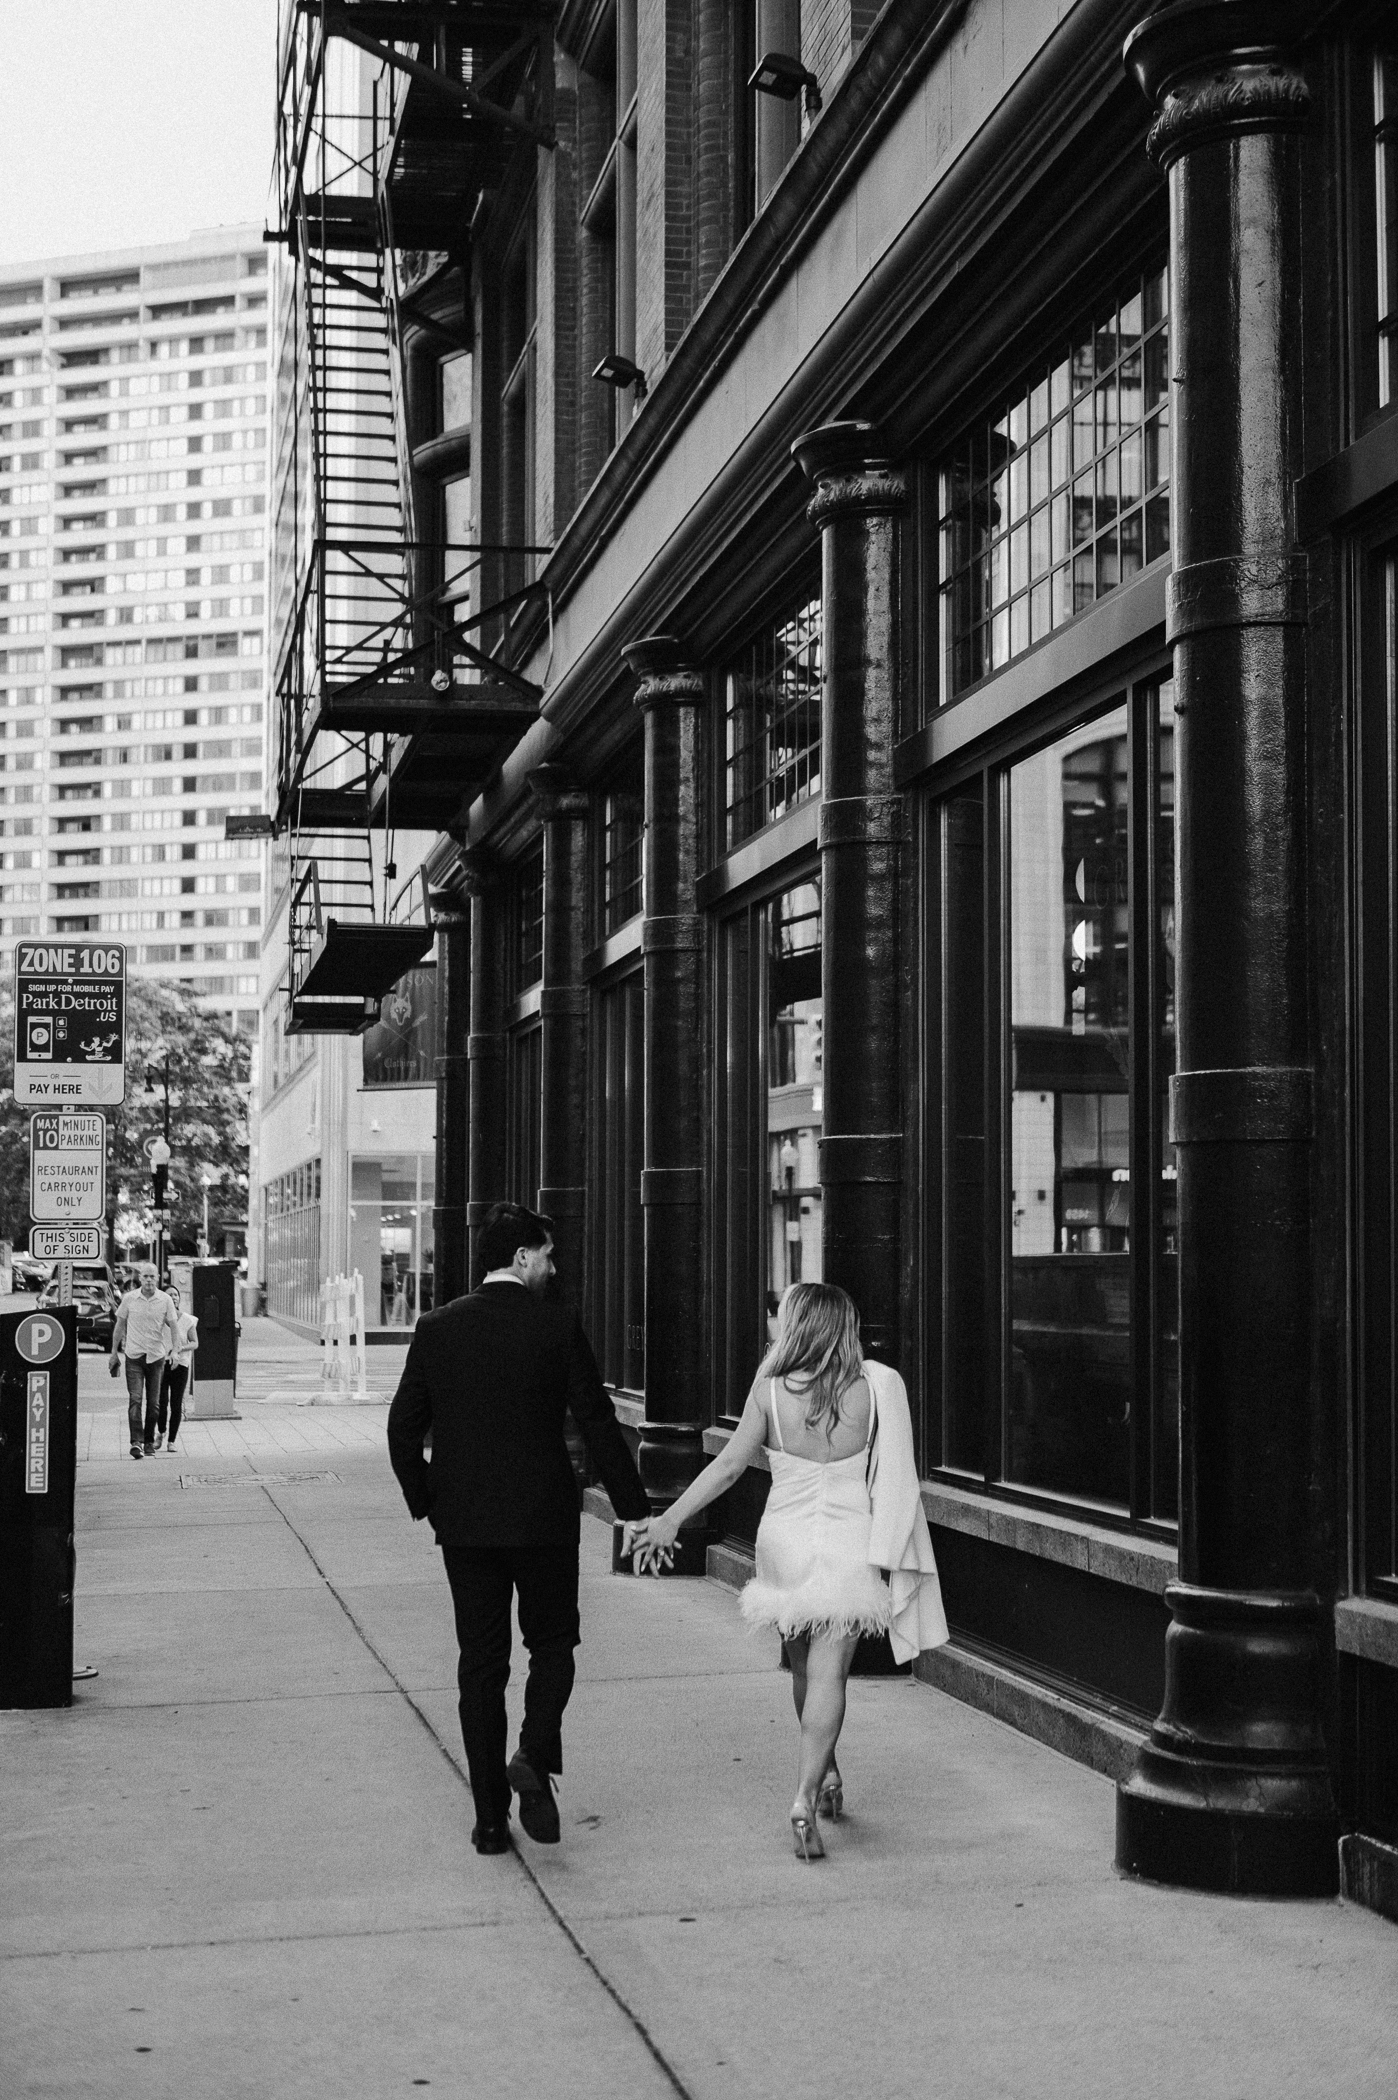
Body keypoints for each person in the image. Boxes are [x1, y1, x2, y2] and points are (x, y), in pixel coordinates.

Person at [632, 1281, 948, 1860]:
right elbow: (899, 1474)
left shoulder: (771, 1391)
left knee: (802, 1669)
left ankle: (824, 1774)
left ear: (800, 1325)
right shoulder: (875, 1389)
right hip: (850, 1541)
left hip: (785, 1539)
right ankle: (806, 1792)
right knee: (831, 1675)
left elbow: (728, 1466)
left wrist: (670, 1519)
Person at [387, 1201, 652, 1857]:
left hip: (467, 1524)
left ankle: (487, 1821)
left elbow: (401, 1430)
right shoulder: (555, 1325)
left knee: (480, 1666)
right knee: (553, 1644)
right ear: (523, 1257)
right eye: (548, 1256)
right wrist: (636, 1510)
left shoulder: (437, 1327)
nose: (553, 1268)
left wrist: (431, 1501)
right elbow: (595, 1421)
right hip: (543, 1520)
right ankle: (533, 1751)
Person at [110, 1264, 180, 1460]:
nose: (149, 1280)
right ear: (140, 1278)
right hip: (134, 1356)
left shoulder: (165, 1300)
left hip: (156, 1357)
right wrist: (113, 1352)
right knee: (135, 1399)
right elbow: (119, 1325)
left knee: (154, 1403)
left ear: (157, 1278)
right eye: (146, 1276)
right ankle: (136, 1442)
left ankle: (148, 1440)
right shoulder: (130, 1299)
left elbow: (174, 1327)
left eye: (152, 1277)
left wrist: (175, 1351)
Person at [157, 1284, 199, 1454]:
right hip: (161, 1364)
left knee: (176, 1403)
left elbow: (195, 1343)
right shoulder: (158, 1319)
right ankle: (160, 1432)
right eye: (170, 1295)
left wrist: (179, 1348)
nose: (173, 1297)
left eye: (176, 1295)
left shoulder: (188, 1320)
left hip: (180, 1364)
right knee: (161, 1402)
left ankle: (172, 1441)